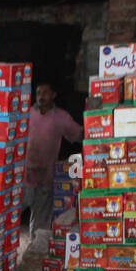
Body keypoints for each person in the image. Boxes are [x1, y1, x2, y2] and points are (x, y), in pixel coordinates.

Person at [25, 83, 82, 243]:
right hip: (24, 173)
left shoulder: (60, 117)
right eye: (38, 93)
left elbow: (77, 133)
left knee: (41, 216)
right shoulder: (28, 113)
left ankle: (35, 247)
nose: (41, 96)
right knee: (15, 209)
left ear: (53, 95)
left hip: (46, 174)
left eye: (45, 93)